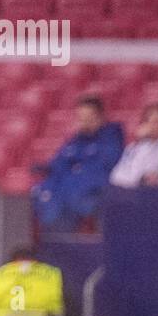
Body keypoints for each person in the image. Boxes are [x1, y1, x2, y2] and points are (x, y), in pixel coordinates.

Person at [33, 95, 124, 231]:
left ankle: (64, 248)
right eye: (80, 117)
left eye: (87, 116)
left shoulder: (111, 139)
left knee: (67, 203)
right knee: (41, 195)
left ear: (99, 116)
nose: (83, 121)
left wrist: (73, 177)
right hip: (66, 192)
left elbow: (101, 171)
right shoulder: (75, 140)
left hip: (93, 194)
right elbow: (58, 164)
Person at [110, 103, 158, 189]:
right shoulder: (136, 146)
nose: (154, 126)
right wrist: (139, 178)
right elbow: (116, 176)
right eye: (150, 121)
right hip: (131, 194)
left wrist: (146, 178)